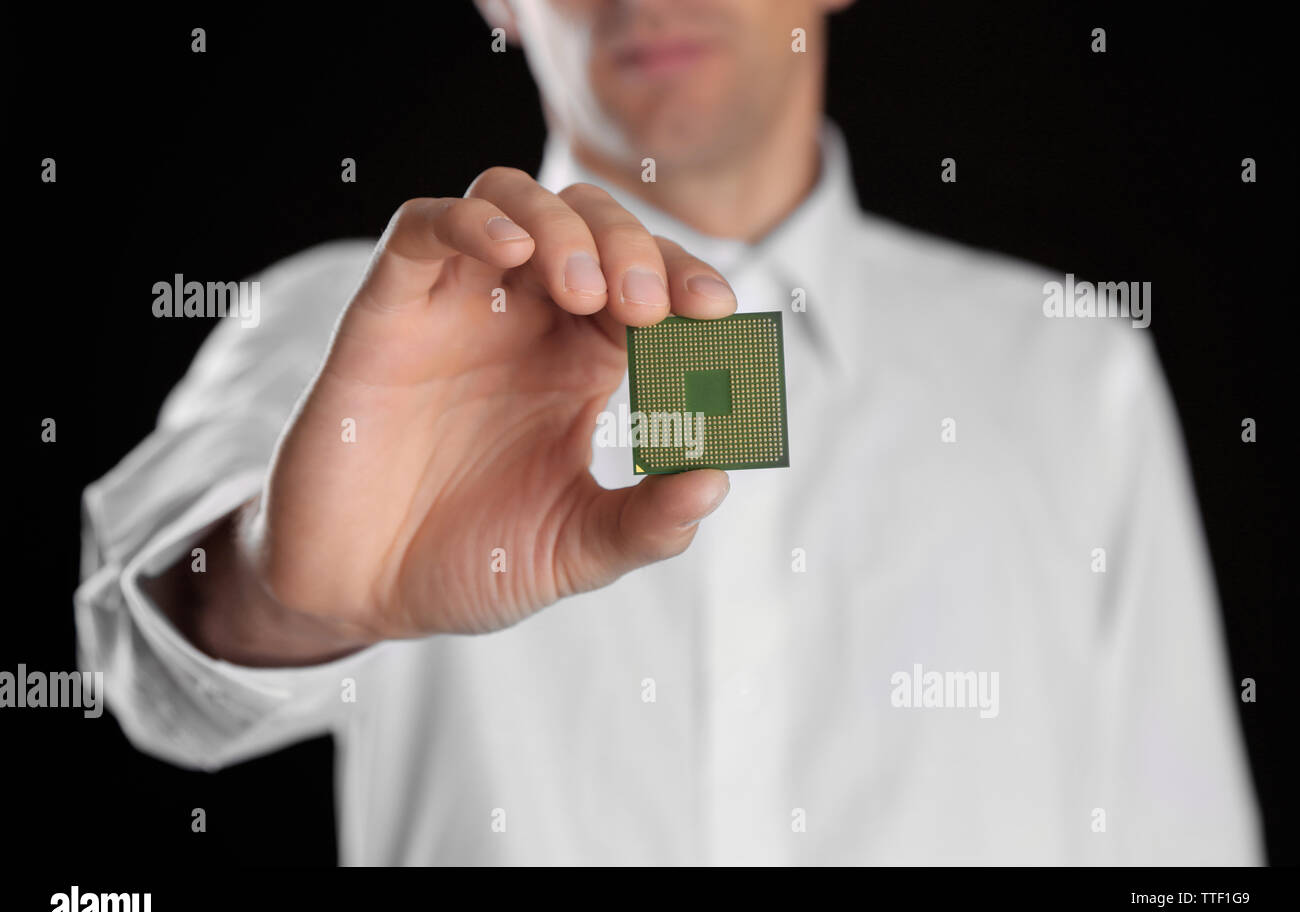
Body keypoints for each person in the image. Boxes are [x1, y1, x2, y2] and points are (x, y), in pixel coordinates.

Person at [75, 0, 1261, 865]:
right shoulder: (357, 325)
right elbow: (142, 665)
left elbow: (1182, 846)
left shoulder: (1067, 364)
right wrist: (284, 593)